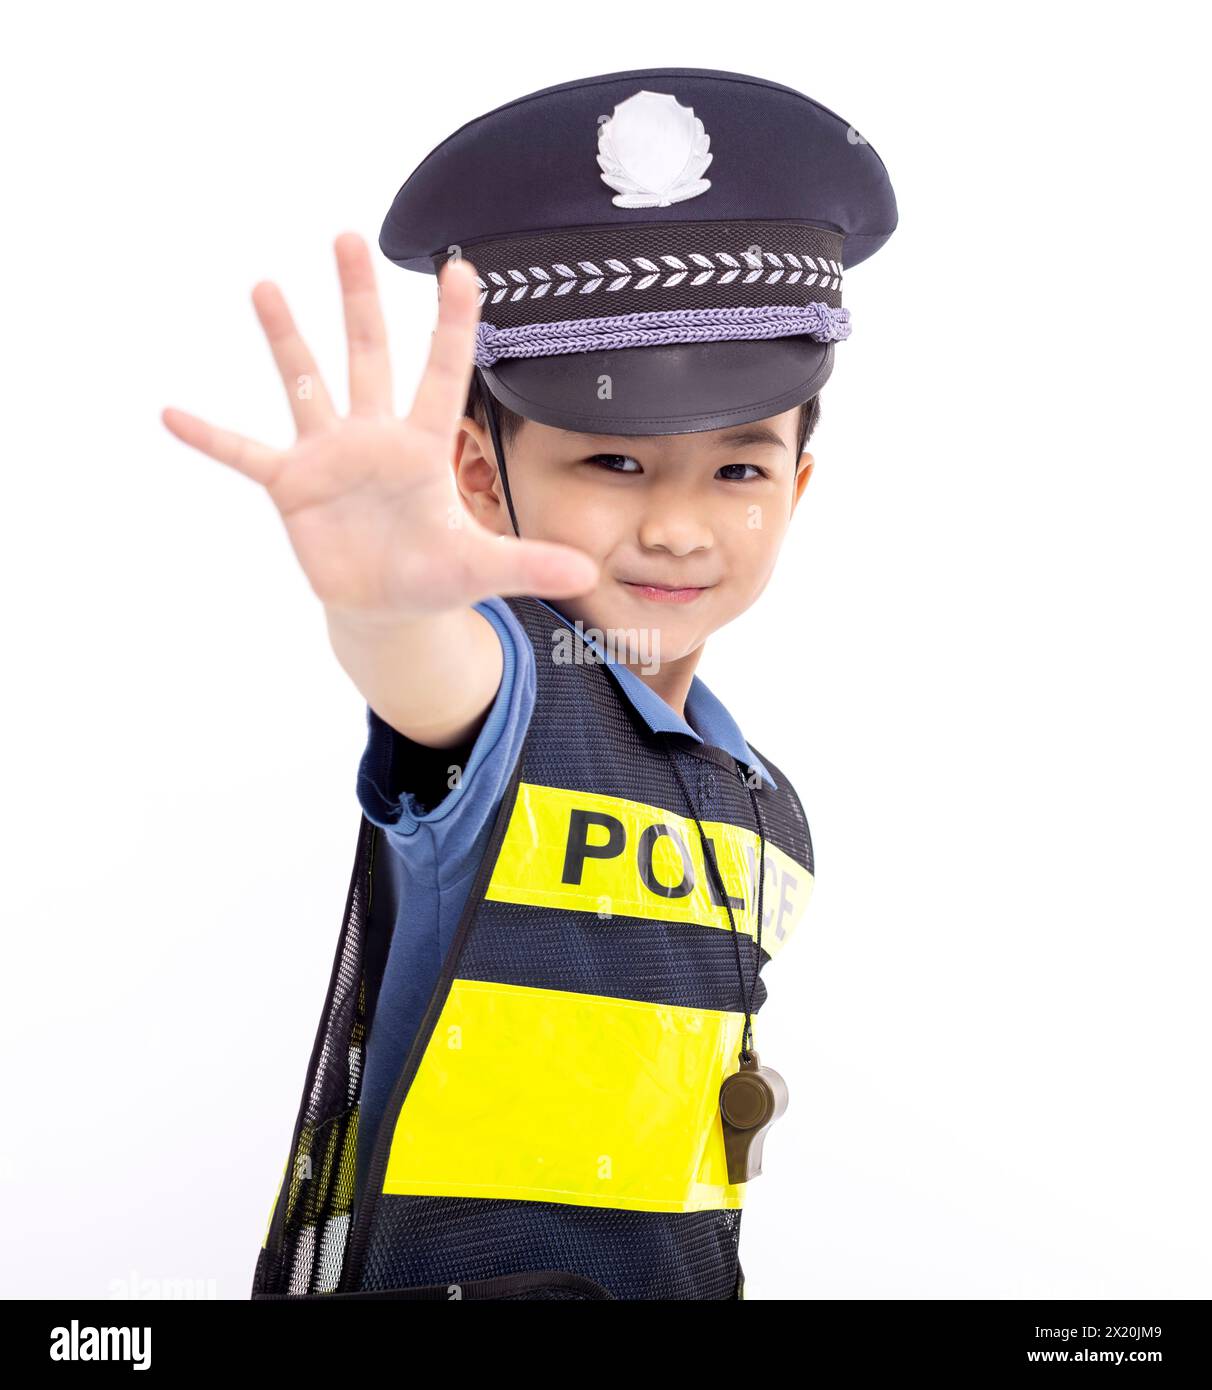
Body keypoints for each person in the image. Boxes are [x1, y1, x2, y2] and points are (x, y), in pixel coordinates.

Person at [162, 67, 897, 1301]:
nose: (676, 527)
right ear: (478, 473)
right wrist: (383, 594)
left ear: (800, 489)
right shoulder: (508, 693)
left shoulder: (766, 806)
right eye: (612, 459)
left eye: (739, 470)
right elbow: (433, 673)